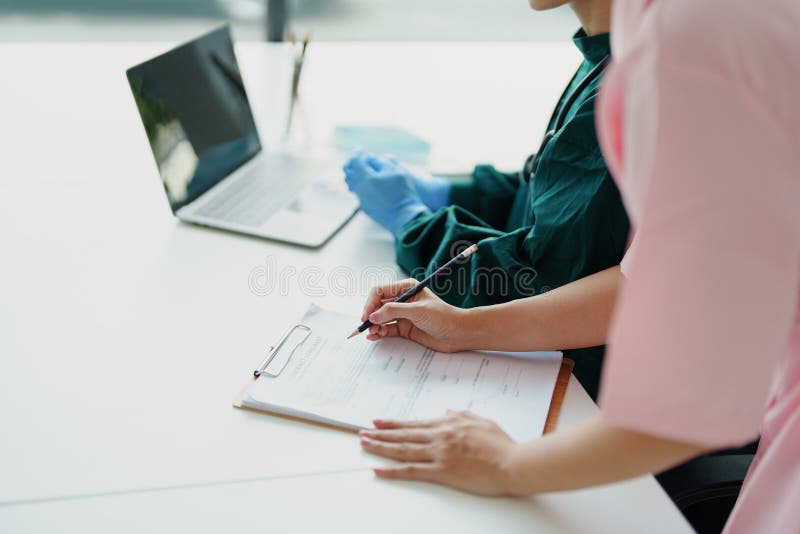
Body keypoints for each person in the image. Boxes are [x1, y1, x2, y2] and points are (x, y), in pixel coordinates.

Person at [354, 0, 800, 532]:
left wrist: (507, 464)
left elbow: (701, 399)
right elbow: (646, 280)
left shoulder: (688, 42)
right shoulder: (669, 30)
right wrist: (464, 326)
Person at [343, 0, 628, 399]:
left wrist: (414, 224)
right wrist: (452, 194)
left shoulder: (627, 85)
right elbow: (553, 189)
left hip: (594, 388)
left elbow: (541, 282)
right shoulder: (606, 51)